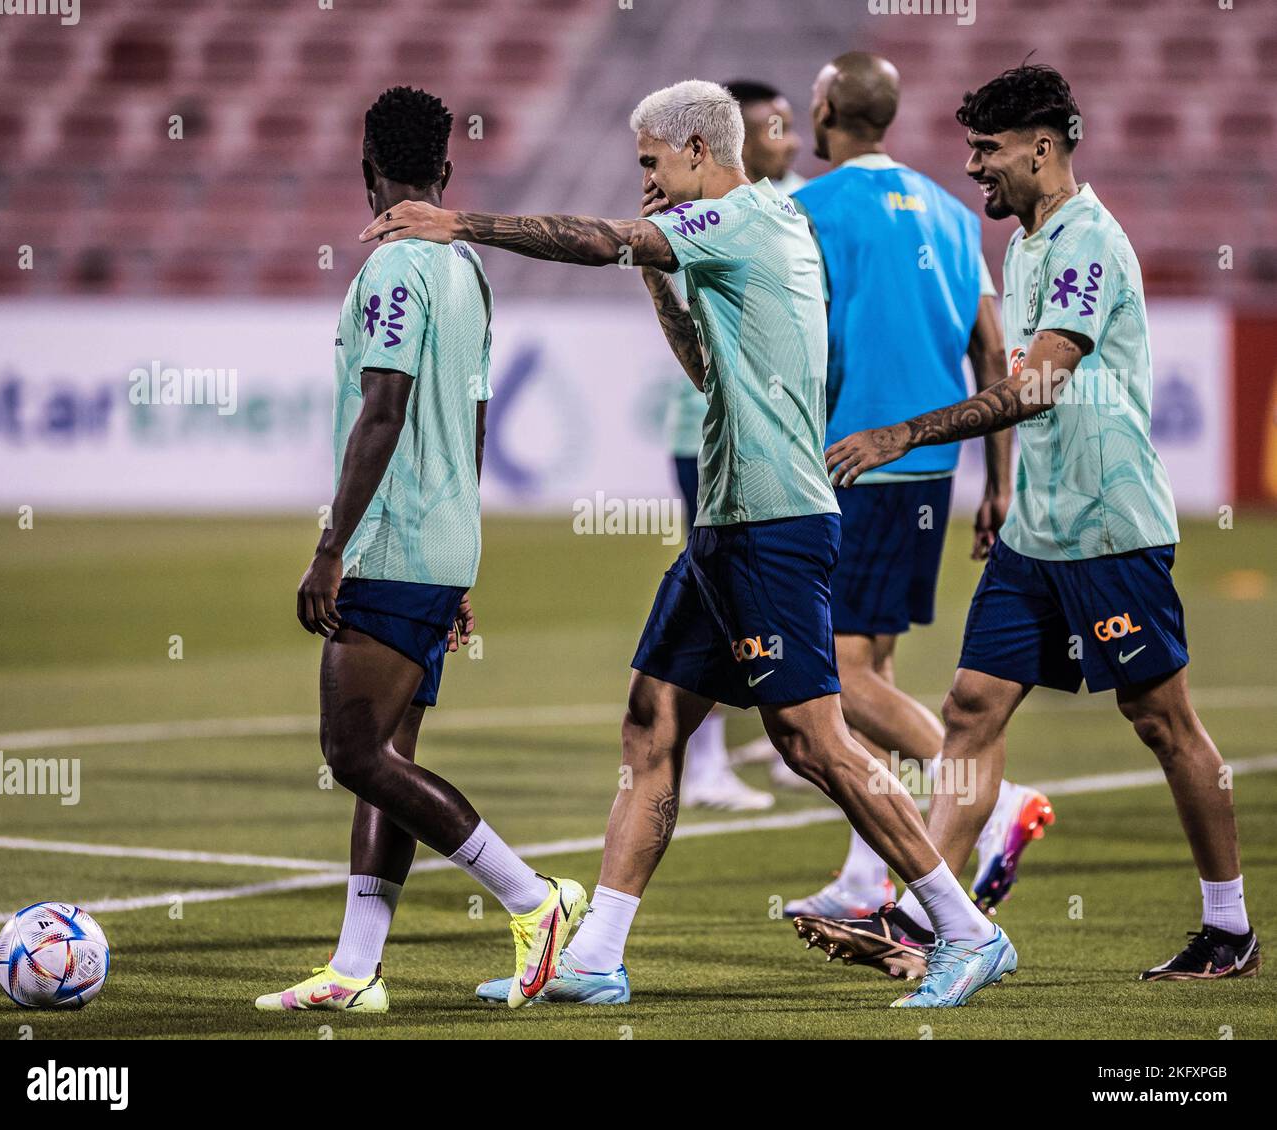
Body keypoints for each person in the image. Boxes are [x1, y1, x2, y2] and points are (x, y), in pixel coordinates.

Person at [362, 78, 1017, 1009]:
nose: (648, 178)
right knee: (653, 721)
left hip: (771, 520)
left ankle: (966, 930)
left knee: (812, 740)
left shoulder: (747, 217)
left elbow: (599, 240)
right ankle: (596, 956)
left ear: (698, 151)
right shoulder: (737, 235)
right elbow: (706, 368)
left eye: (651, 161)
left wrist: (458, 223)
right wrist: (660, 274)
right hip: (727, 521)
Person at [817, 64, 1260, 984]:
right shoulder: (1023, 243)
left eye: (988, 149)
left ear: (1043, 146)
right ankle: (924, 915)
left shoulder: (1087, 241)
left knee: (1161, 719)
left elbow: (1035, 384)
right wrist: (1007, 489)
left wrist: (908, 430)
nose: (975, 166)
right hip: (1037, 534)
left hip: (1108, 526)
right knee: (970, 708)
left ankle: (1230, 928)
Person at [255, 87, 586, 1014]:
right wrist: (464, 548)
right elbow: (475, 415)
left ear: (367, 171)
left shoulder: (395, 269)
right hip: (441, 541)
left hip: (393, 543)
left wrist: (331, 547)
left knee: (354, 753)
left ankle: (536, 897)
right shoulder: (467, 268)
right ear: (445, 172)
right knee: (390, 753)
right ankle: (355, 972)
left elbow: (385, 408)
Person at [784, 52, 1053, 933]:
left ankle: (994, 794)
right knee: (881, 669)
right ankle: (873, 870)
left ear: (826, 110)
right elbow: (992, 350)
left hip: (854, 460)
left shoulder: (807, 209)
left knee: (836, 677)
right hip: (932, 470)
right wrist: (1000, 479)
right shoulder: (948, 209)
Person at [673, 78, 802, 813]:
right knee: (723, 602)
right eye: (770, 127)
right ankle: (713, 757)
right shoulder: (713, 217)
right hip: (717, 440)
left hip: (781, 443)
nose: (785, 137)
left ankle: (803, 734)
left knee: (759, 602)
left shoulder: (790, 207)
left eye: (787, 124)